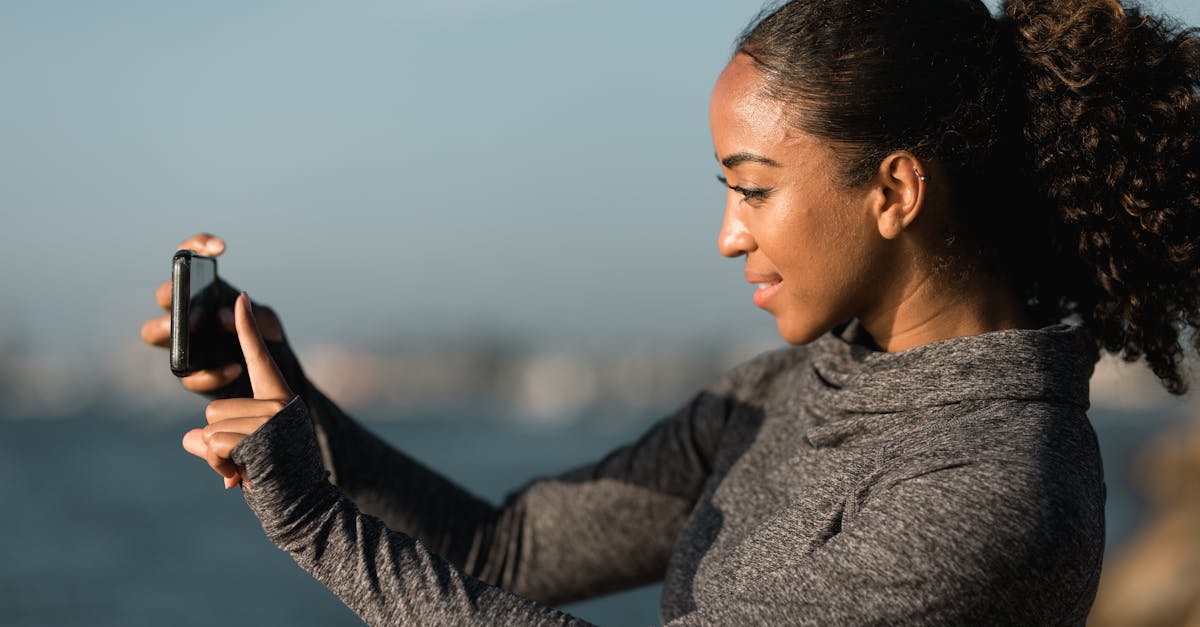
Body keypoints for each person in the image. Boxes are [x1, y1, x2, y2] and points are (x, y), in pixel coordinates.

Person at [139, 0, 1200, 624]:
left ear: (895, 192)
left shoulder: (992, 492)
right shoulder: (796, 385)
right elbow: (505, 552)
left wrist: (313, 522)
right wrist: (282, 391)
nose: (729, 235)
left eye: (752, 187)